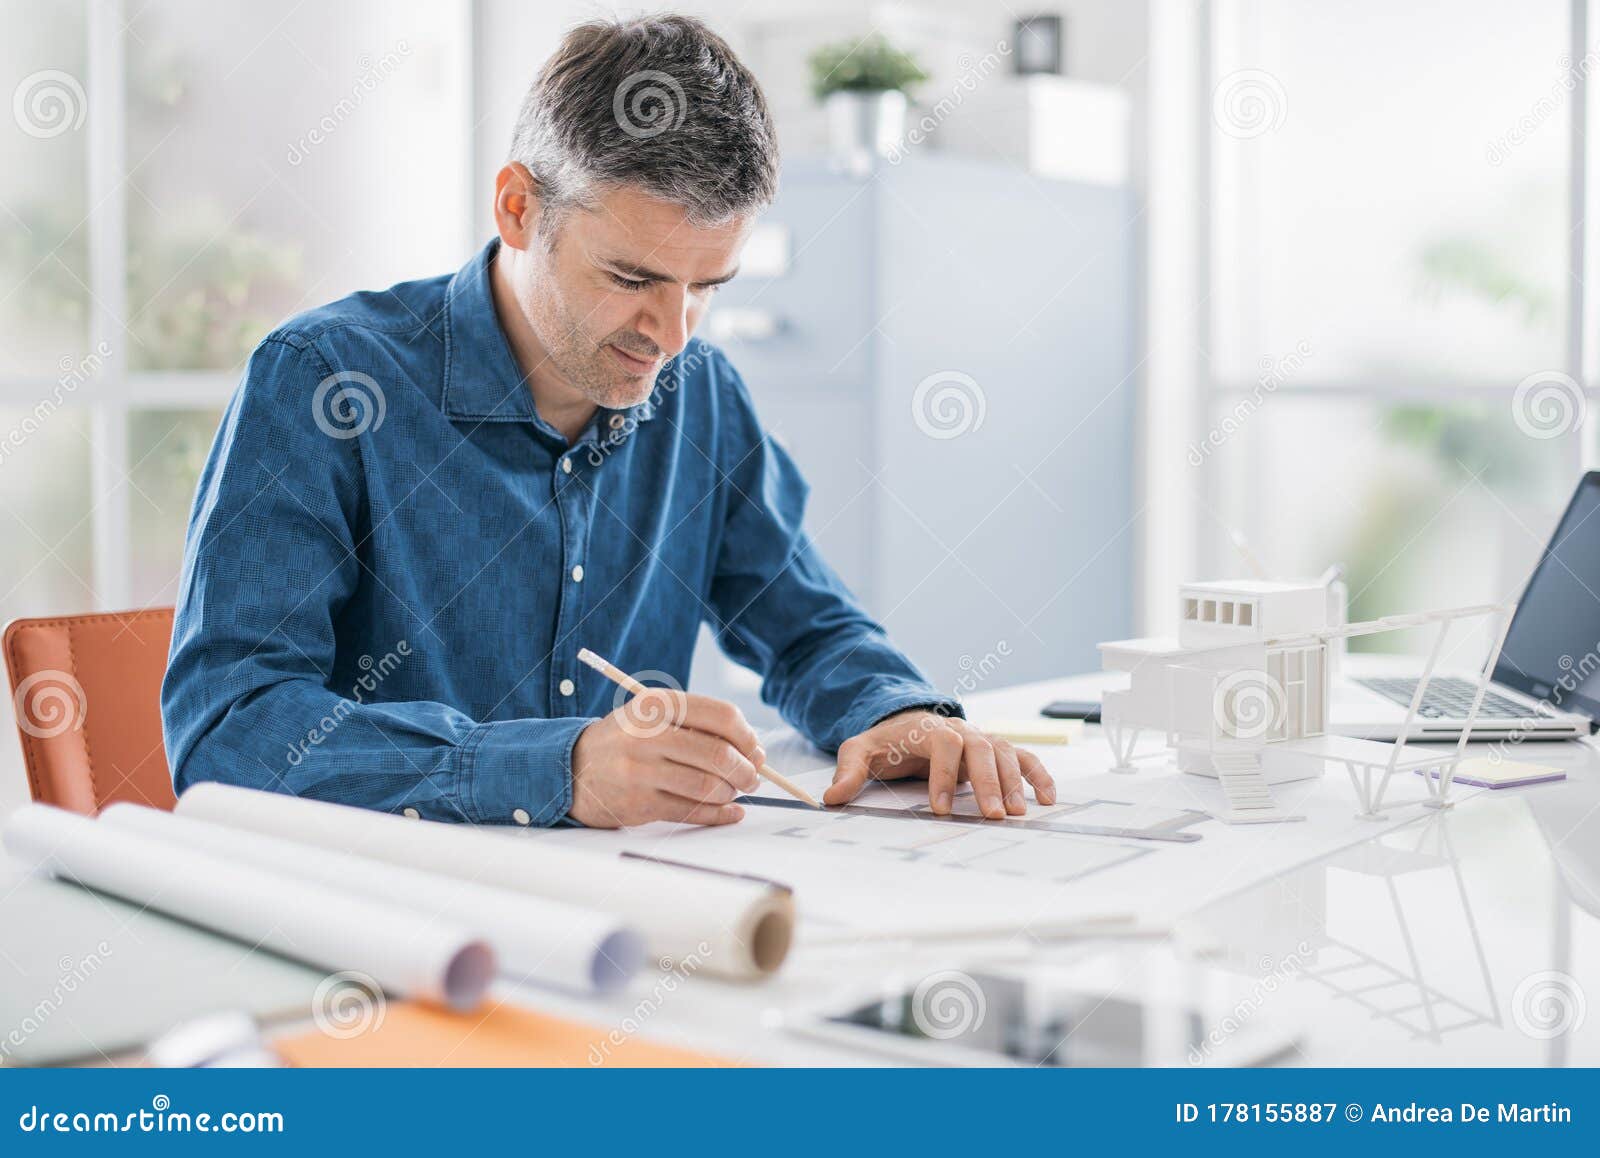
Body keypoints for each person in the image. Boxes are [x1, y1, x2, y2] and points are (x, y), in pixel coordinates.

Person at [162, 14, 1056, 829]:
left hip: (624, 918)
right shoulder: (324, 381)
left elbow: (807, 628)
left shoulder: (699, 392)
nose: (670, 336)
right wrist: (554, 767)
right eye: (632, 279)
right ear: (519, 208)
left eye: (706, 288)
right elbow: (227, 732)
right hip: (384, 936)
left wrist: (894, 711)